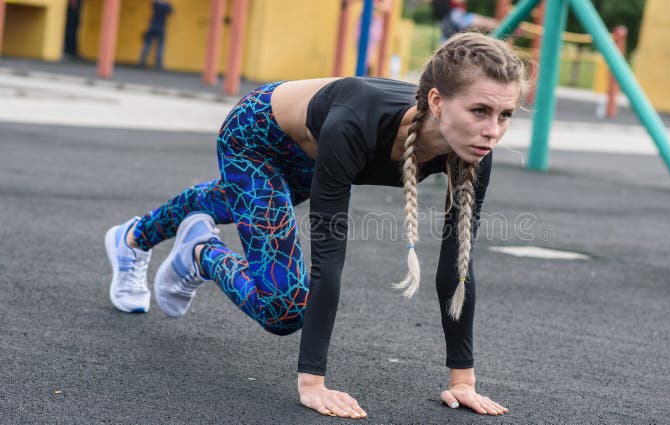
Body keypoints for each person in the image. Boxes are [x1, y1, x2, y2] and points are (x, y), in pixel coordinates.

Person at [105, 32, 525, 418]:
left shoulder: (473, 151)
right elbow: (329, 257)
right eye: (480, 111)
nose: (493, 131)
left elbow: (457, 264)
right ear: (436, 101)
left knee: (228, 199)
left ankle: (132, 238)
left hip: (313, 152)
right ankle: (200, 253)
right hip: (257, 138)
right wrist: (313, 383)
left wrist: (462, 381)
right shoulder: (356, 126)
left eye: (505, 115)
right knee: (285, 306)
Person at [137, 0, 173, 69]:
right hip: (161, 27)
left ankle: (141, 62)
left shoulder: (155, 4)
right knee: (160, 46)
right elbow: (171, 12)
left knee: (147, 45)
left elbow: (152, 4)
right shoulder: (167, 5)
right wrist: (166, 3)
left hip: (152, 26)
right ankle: (158, 64)